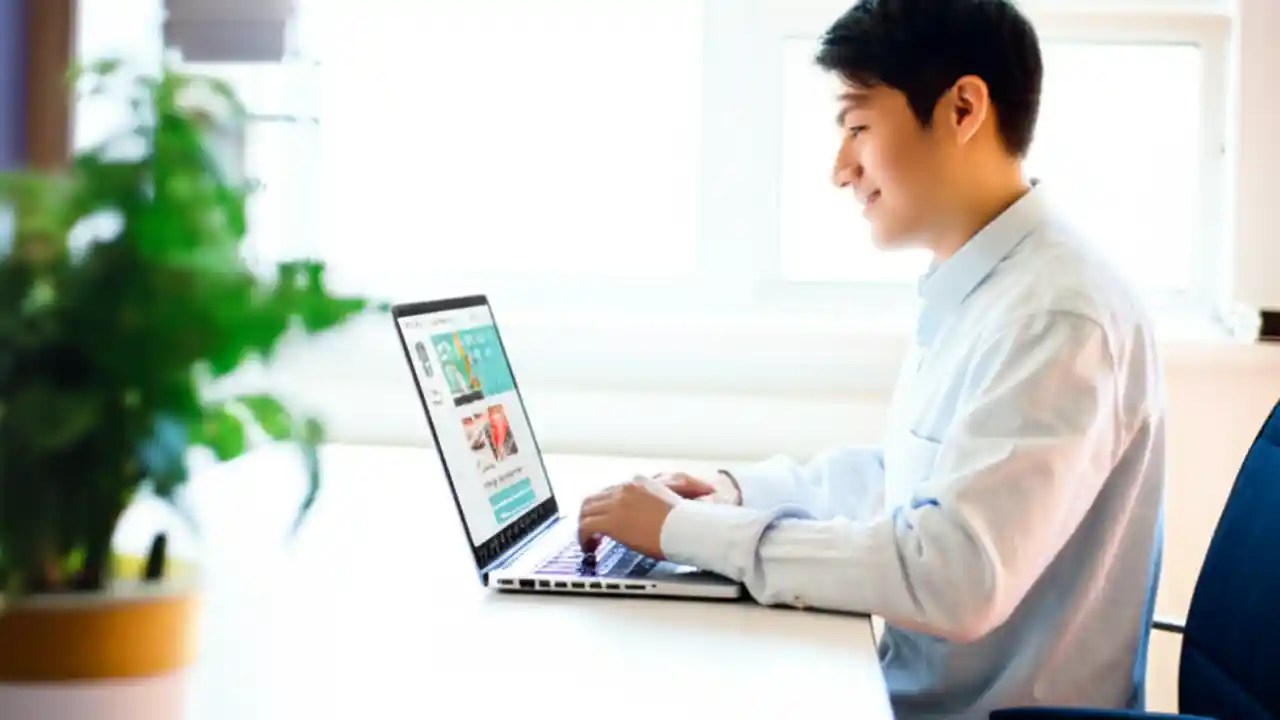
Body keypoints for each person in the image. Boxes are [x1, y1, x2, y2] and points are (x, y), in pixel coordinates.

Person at [576, 0, 1166, 717]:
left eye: (858, 126)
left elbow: (955, 575)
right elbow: (903, 480)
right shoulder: (991, 290)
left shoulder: (1056, 315)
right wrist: (729, 495)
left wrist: (686, 533)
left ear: (962, 108)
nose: (840, 169)